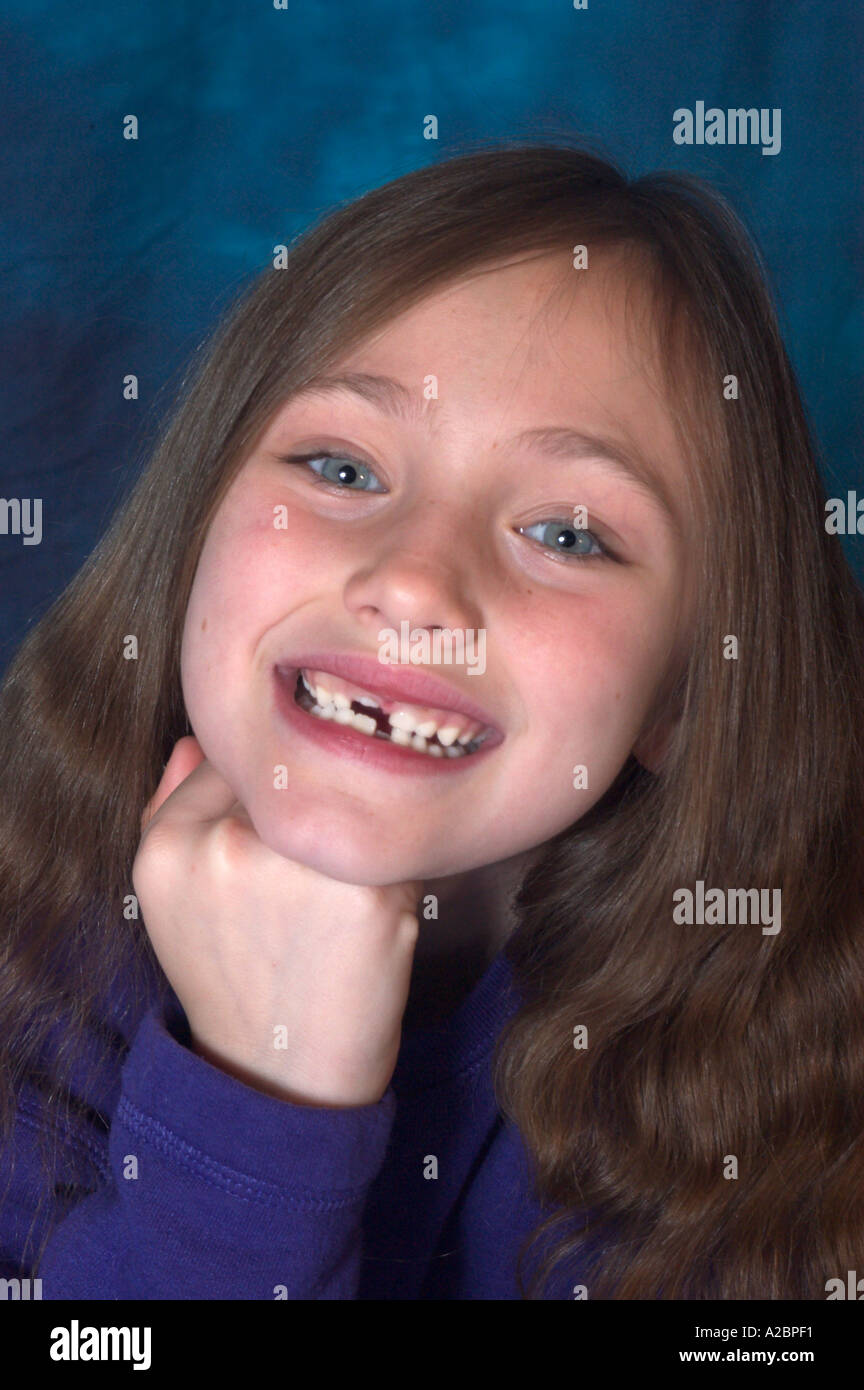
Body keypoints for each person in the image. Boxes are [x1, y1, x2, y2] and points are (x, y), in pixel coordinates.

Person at [1, 143, 861, 1300]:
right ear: (197, 525)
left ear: (686, 693)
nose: (414, 584)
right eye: (340, 468)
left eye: (568, 535)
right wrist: (261, 1095)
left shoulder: (805, 1128)